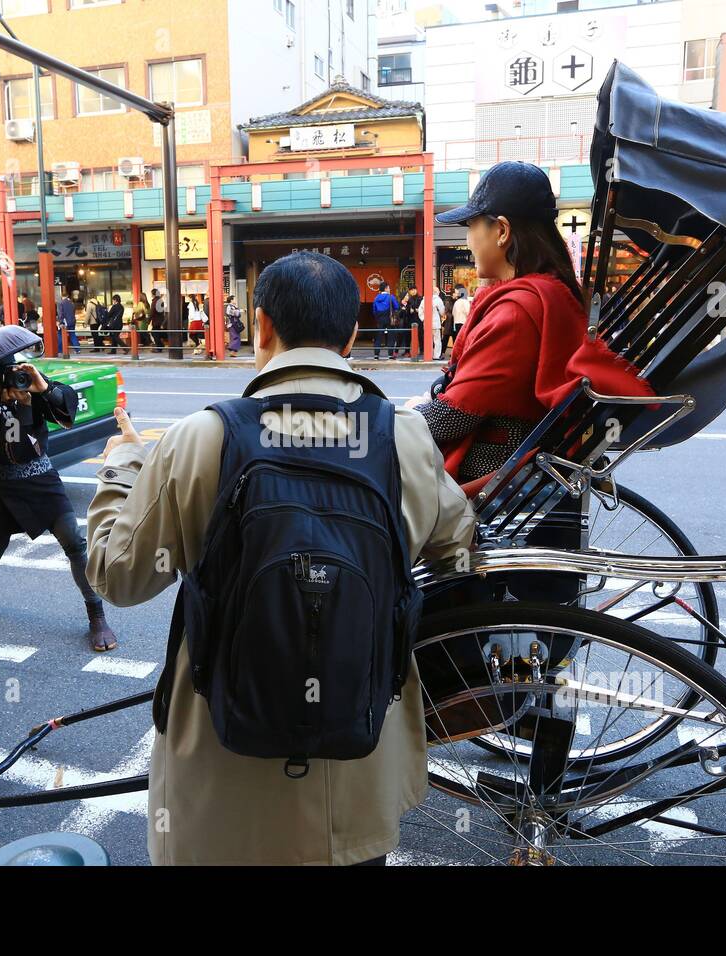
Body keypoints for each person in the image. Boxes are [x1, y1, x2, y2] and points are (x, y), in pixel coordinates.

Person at [85, 251, 475, 865]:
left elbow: (119, 576)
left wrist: (123, 466)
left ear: (261, 325)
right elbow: (456, 542)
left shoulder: (203, 437)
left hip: (223, 805)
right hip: (358, 791)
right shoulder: (403, 437)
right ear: (352, 334)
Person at [409, 161, 653, 486]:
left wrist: (394, 423)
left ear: (502, 231)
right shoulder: (552, 292)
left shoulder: (516, 312)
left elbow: (454, 415)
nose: (468, 241)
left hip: (488, 466)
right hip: (524, 454)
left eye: (471, 227)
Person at [0, 331, 118, 652]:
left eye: (11, 371)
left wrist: (45, 389)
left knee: (75, 544)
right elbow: (6, 448)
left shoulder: (27, 383)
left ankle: (96, 613)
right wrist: (16, 410)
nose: (9, 380)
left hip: (41, 479)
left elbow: (66, 414)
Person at [371, 282, 400, 360]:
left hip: (379, 319)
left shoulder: (376, 298)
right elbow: (397, 306)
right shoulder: (391, 297)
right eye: (389, 288)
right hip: (389, 318)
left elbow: (374, 310)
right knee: (391, 336)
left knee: (378, 337)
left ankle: (376, 355)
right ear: (386, 288)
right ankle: (390, 355)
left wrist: (377, 317)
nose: (389, 289)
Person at [400, 285, 423, 357]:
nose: (413, 291)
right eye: (412, 290)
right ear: (409, 291)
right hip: (410, 319)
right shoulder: (409, 299)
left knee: (420, 335)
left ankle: (422, 350)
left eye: (414, 289)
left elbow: (421, 308)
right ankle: (407, 351)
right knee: (408, 336)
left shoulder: (420, 298)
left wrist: (415, 310)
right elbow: (407, 309)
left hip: (418, 319)